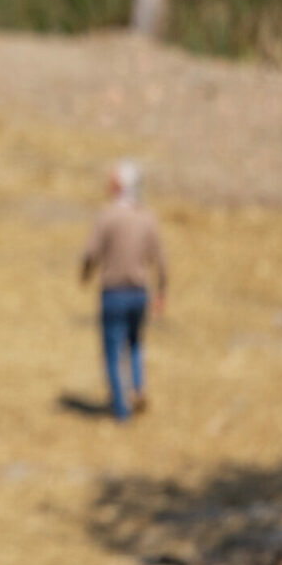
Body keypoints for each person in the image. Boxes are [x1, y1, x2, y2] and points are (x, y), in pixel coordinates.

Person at [81, 160, 168, 421]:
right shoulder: (147, 218)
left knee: (112, 349)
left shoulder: (108, 216)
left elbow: (90, 253)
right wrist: (162, 292)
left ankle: (121, 410)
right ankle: (138, 387)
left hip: (114, 293)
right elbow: (162, 260)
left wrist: (85, 274)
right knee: (136, 343)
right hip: (140, 292)